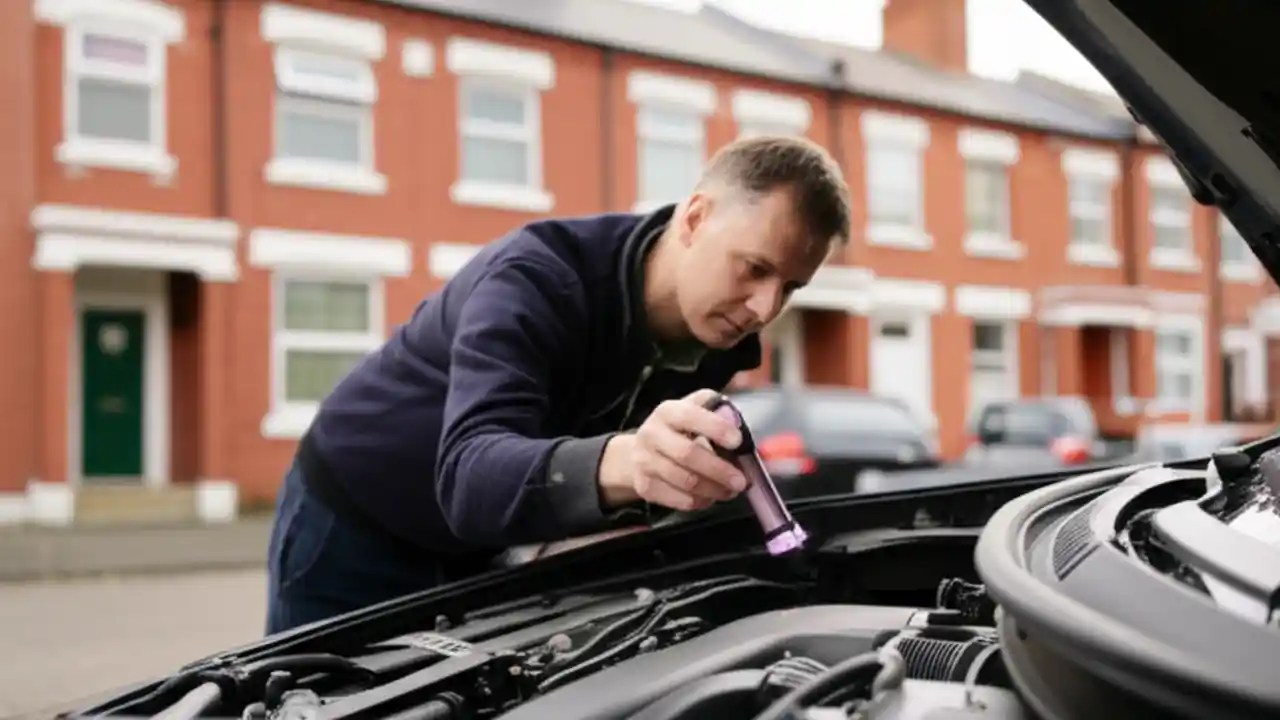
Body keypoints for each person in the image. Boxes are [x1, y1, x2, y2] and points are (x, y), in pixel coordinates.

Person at [264, 135, 852, 634]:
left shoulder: (719, 342)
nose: (764, 307)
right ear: (696, 218)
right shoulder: (536, 280)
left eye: (791, 287)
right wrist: (627, 462)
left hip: (481, 551)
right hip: (351, 529)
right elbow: (469, 479)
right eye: (754, 268)